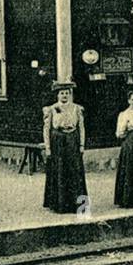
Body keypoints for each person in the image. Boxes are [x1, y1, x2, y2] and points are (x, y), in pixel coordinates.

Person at [42, 81, 88, 214]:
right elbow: (46, 129)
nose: (64, 96)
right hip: (58, 141)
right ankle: (60, 205)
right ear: (57, 95)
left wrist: (81, 145)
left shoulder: (76, 108)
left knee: (75, 171)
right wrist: (48, 147)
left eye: (67, 93)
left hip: (72, 139)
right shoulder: (51, 109)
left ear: (70, 95)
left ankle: (79, 205)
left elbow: (81, 128)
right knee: (60, 171)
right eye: (62, 93)